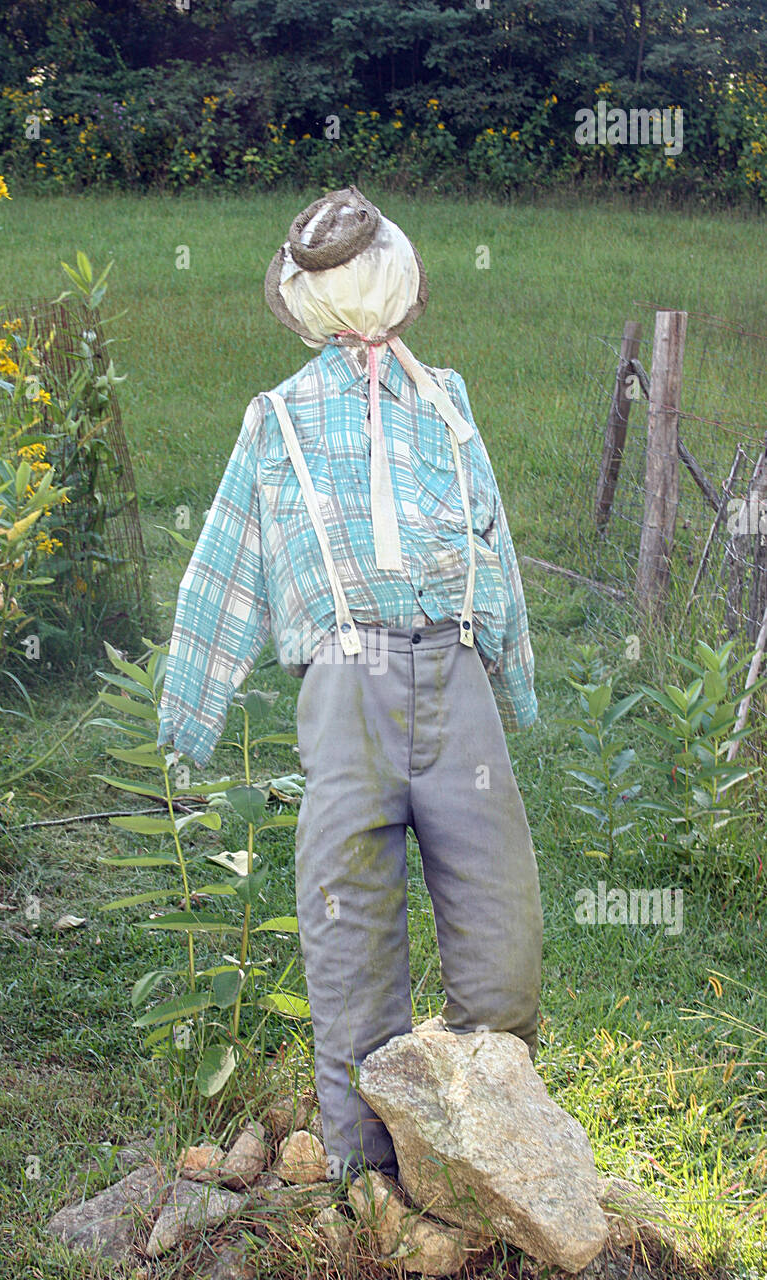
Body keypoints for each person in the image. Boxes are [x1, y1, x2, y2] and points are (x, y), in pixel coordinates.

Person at [159, 186, 544, 1184]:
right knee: (347, 932)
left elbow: (488, 537)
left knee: (500, 936)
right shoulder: (275, 418)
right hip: (341, 695)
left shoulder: (444, 401)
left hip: (454, 679)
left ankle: (483, 1157)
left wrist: (513, 676)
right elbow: (228, 561)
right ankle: (361, 1178)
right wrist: (186, 715)